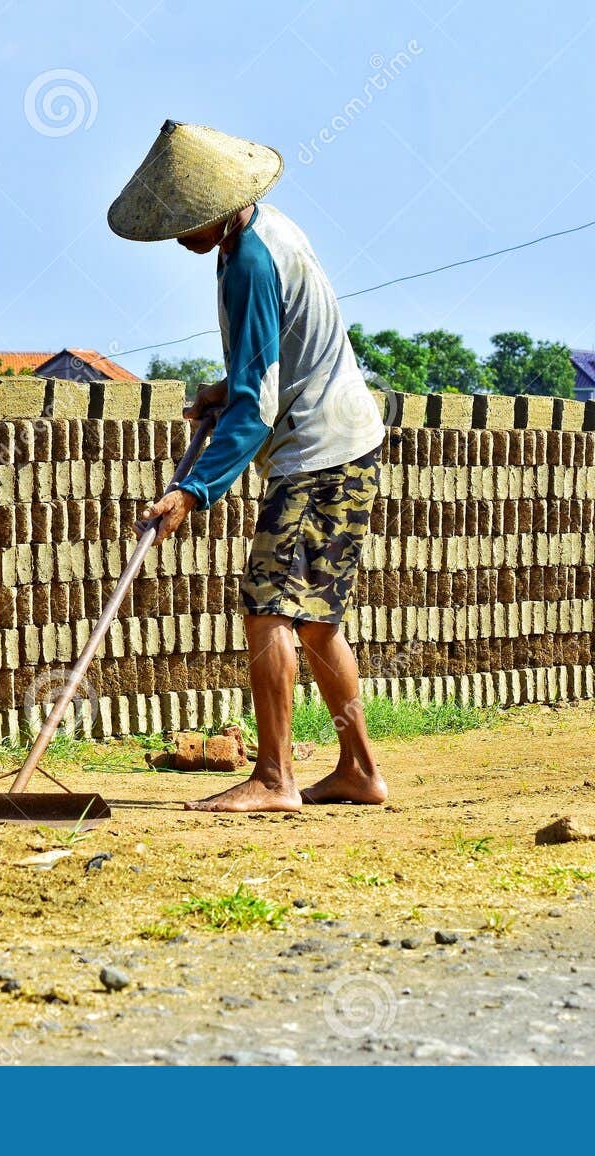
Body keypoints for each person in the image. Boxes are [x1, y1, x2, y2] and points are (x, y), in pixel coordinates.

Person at [107, 120, 387, 813]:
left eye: (187, 222)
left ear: (220, 207)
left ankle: (274, 778)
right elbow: (274, 358)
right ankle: (359, 771)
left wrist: (193, 492)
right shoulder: (265, 235)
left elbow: (257, 409)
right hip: (348, 437)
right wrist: (223, 388)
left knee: (269, 609)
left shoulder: (252, 261)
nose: (179, 236)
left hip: (316, 453)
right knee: (317, 621)